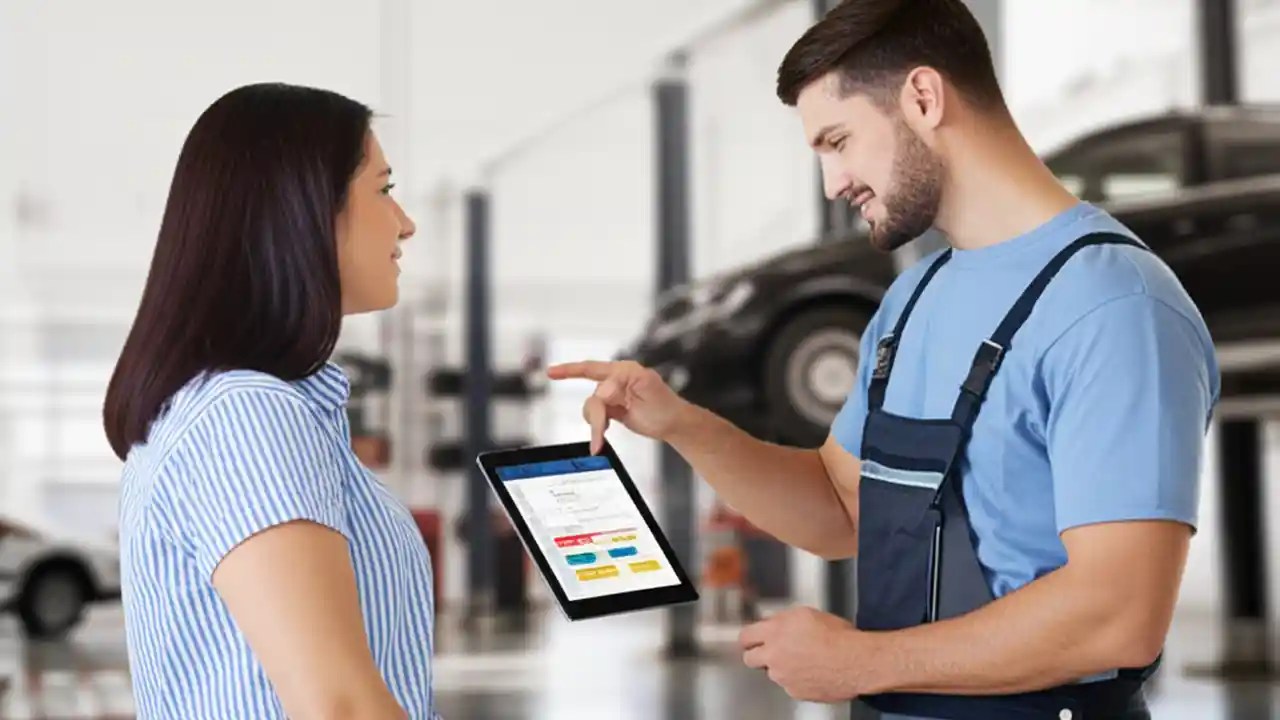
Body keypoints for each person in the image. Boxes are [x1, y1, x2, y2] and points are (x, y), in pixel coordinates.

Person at [549, 1, 1219, 718]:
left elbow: (1118, 616)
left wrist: (860, 661)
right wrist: (681, 424)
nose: (834, 183)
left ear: (923, 99)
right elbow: (841, 507)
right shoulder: (915, 300)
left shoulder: (1114, 307)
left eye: (838, 142)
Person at [103, 83, 438, 720]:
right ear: (305, 209)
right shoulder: (244, 415)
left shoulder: (249, 407)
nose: (406, 223)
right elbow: (337, 706)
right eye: (385, 189)